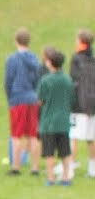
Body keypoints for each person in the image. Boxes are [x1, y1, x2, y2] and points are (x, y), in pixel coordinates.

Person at [4, 29, 41, 176]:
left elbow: (8, 80)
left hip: (18, 98)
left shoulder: (12, 59)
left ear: (16, 41)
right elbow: (37, 78)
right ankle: (35, 167)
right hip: (32, 97)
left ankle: (16, 166)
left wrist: (10, 96)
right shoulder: (34, 59)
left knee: (16, 134)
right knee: (32, 134)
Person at [36, 46, 74, 186]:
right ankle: (66, 176)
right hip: (64, 121)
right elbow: (71, 97)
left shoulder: (45, 80)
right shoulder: (67, 79)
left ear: (50, 63)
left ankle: (51, 177)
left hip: (49, 121)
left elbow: (39, 101)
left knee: (49, 152)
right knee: (64, 151)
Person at [68, 29, 95, 180]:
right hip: (93, 105)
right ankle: (93, 169)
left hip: (79, 105)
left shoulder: (76, 60)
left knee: (73, 137)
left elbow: (73, 82)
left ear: (81, 43)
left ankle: (69, 168)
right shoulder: (93, 60)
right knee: (91, 138)